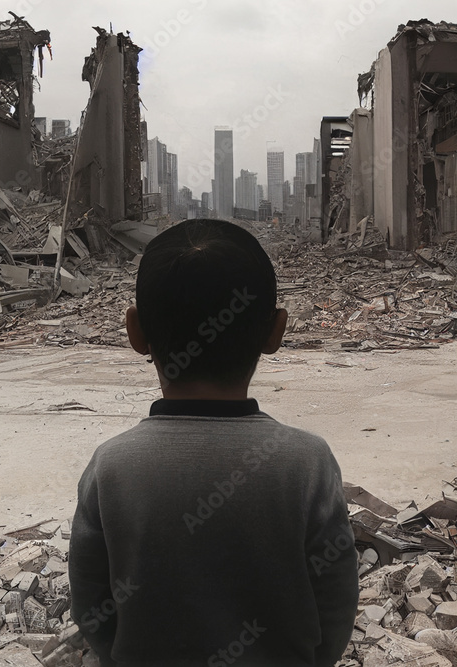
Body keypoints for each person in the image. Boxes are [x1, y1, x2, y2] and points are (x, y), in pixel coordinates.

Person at [69, 219, 358, 666]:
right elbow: (335, 603)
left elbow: (92, 604)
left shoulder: (111, 466)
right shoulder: (307, 464)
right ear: (276, 331)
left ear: (136, 333)